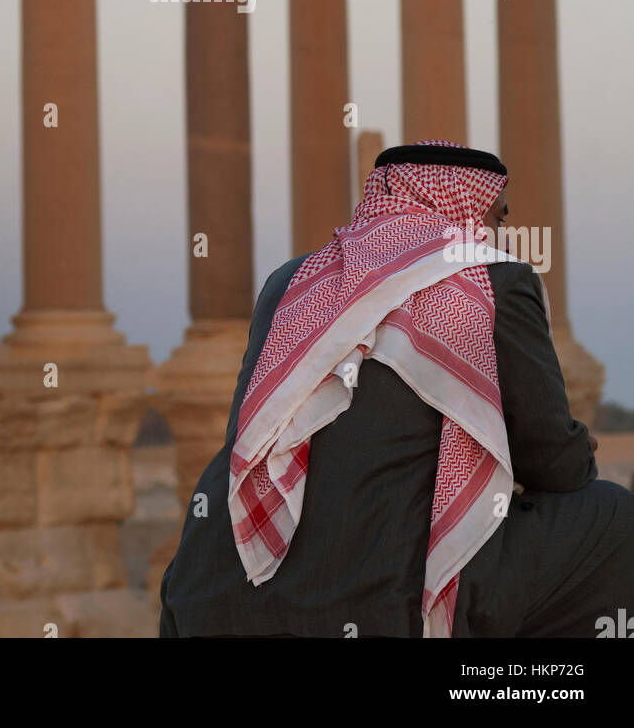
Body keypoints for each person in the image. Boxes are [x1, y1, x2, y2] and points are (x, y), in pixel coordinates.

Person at [159, 139, 634, 638]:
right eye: (498, 218)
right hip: (378, 599)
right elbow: (554, 464)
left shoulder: (290, 280)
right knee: (613, 517)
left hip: (204, 594)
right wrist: (575, 447)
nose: (501, 236)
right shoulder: (493, 282)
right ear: (466, 208)